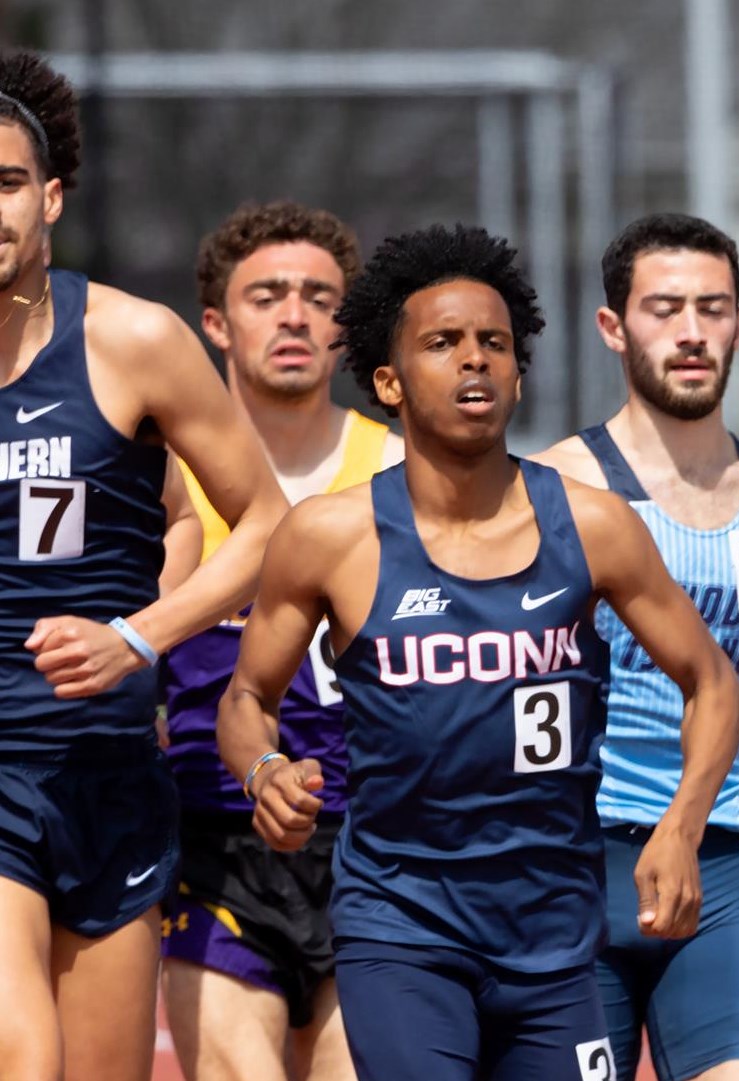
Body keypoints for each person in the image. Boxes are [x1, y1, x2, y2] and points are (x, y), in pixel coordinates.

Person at [216, 223, 739, 1080]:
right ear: (388, 379)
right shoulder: (331, 538)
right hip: (402, 925)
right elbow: (246, 701)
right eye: (444, 343)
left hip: (558, 937)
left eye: (493, 343)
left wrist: (680, 828)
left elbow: (710, 679)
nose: (475, 361)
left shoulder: (594, 524)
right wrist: (265, 772)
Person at [532, 211, 739, 1081]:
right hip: (569, 865)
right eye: (664, 308)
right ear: (614, 326)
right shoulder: (553, 491)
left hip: (721, 865)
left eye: (712, 308)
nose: (691, 332)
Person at [0, 50, 289, 1081]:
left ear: (52, 197)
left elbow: (262, 524)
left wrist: (140, 636)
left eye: (6, 184)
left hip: (110, 771)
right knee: (17, 1051)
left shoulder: (133, 341)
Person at [159, 201, 403, 1081]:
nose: (294, 315)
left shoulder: (400, 477)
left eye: (318, 297)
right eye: (267, 296)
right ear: (217, 323)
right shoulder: (165, 479)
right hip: (213, 849)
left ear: (349, 327)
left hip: (374, 849)